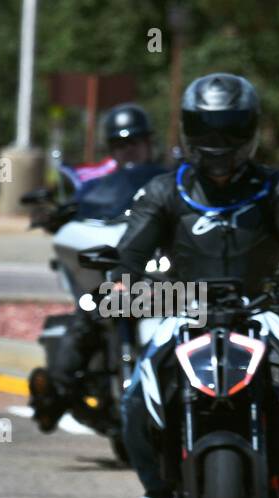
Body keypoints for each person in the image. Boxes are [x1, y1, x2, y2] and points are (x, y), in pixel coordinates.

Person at [115, 74, 279, 498]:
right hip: (184, 311)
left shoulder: (277, 187)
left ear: (252, 130)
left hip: (260, 311)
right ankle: (157, 491)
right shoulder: (164, 190)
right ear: (186, 129)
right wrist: (123, 283)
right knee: (135, 397)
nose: (217, 142)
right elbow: (131, 252)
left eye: (231, 129)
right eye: (206, 129)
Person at [27, 103, 166, 432]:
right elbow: (77, 202)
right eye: (121, 145)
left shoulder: (171, 180)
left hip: (159, 281)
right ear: (111, 149)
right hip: (116, 276)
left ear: (149, 143)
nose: (129, 151)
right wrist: (55, 213)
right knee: (91, 309)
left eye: (135, 142)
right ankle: (55, 390)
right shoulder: (99, 182)